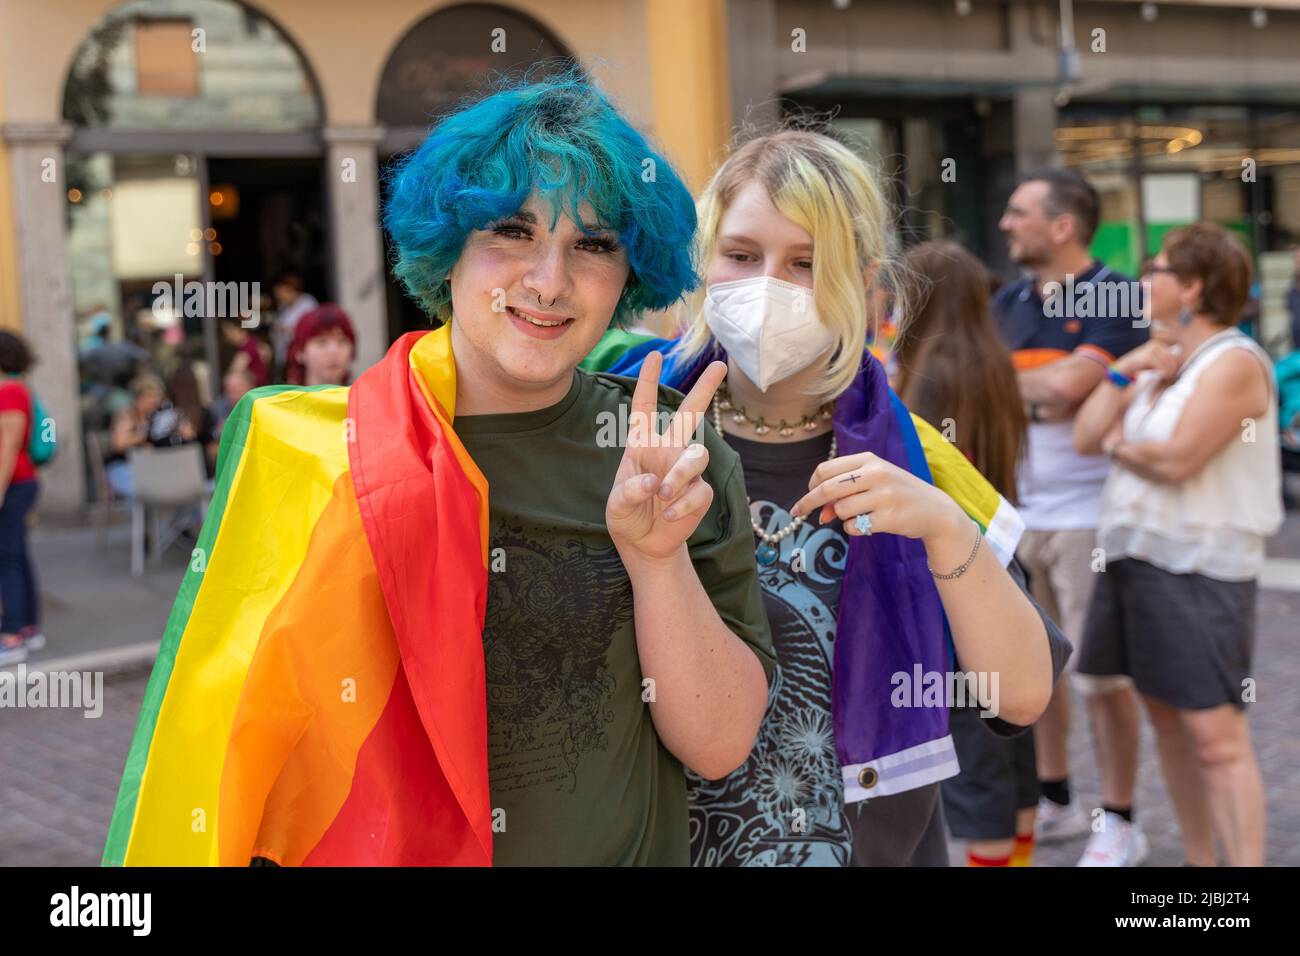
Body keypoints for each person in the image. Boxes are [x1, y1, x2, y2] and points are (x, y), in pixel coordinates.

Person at [104, 74, 774, 867]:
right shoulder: (321, 459)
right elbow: (232, 752)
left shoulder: (673, 448)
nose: (550, 281)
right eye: (511, 231)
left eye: (593, 245)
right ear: (447, 246)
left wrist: (657, 562)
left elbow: (720, 744)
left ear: (630, 274)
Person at [587, 129, 1071, 867]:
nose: (769, 286)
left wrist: (943, 528)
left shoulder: (917, 452)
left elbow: (1020, 694)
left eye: (807, 263)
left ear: (864, 280)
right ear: (704, 260)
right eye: (742, 256)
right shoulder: (618, 418)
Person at [1073, 223, 1282, 866]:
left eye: (1155, 269)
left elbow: (1176, 461)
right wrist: (1121, 376)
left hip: (1201, 565)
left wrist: (1118, 445)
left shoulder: (1235, 361)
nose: (1142, 282)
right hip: (1136, 557)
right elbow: (1085, 436)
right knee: (1165, 718)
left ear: (1192, 286)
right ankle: (1201, 870)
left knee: (1216, 734)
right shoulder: (1162, 360)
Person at [994, 168, 1149, 865]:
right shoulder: (1008, 300)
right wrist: (1039, 390)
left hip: (1093, 514)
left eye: (1019, 212)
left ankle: (1120, 818)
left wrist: (1024, 387)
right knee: (1039, 670)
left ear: (1062, 225)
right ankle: (1054, 797)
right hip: (1019, 514)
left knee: (1102, 679)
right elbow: (1015, 391)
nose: (1004, 223)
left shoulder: (1117, 293)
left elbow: (1072, 387)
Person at [893, 240, 1040, 867]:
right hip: (1002, 562)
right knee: (1011, 748)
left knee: (972, 762)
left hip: (955, 575)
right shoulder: (993, 359)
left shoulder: (929, 369)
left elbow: (917, 474)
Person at [0, 332, 45, 665]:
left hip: (13, 483)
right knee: (17, 555)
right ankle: (28, 627)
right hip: (19, 482)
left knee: (8, 558)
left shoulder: (10, 391)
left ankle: (12, 634)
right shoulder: (16, 388)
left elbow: (8, 446)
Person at [284, 303, 356, 386]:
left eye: (342, 341)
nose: (333, 351)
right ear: (299, 352)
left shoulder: (364, 397)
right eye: (321, 342)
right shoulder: (284, 398)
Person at [269, 272, 319, 371]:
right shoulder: (283, 308)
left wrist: (288, 329)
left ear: (290, 289)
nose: (278, 296)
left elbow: (313, 328)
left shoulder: (307, 303)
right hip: (286, 358)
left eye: (280, 291)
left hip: (302, 357)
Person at [220, 314, 270, 387]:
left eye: (227, 334)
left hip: (254, 392)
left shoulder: (247, 349)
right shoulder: (255, 342)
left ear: (236, 329)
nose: (227, 339)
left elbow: (234, 372)